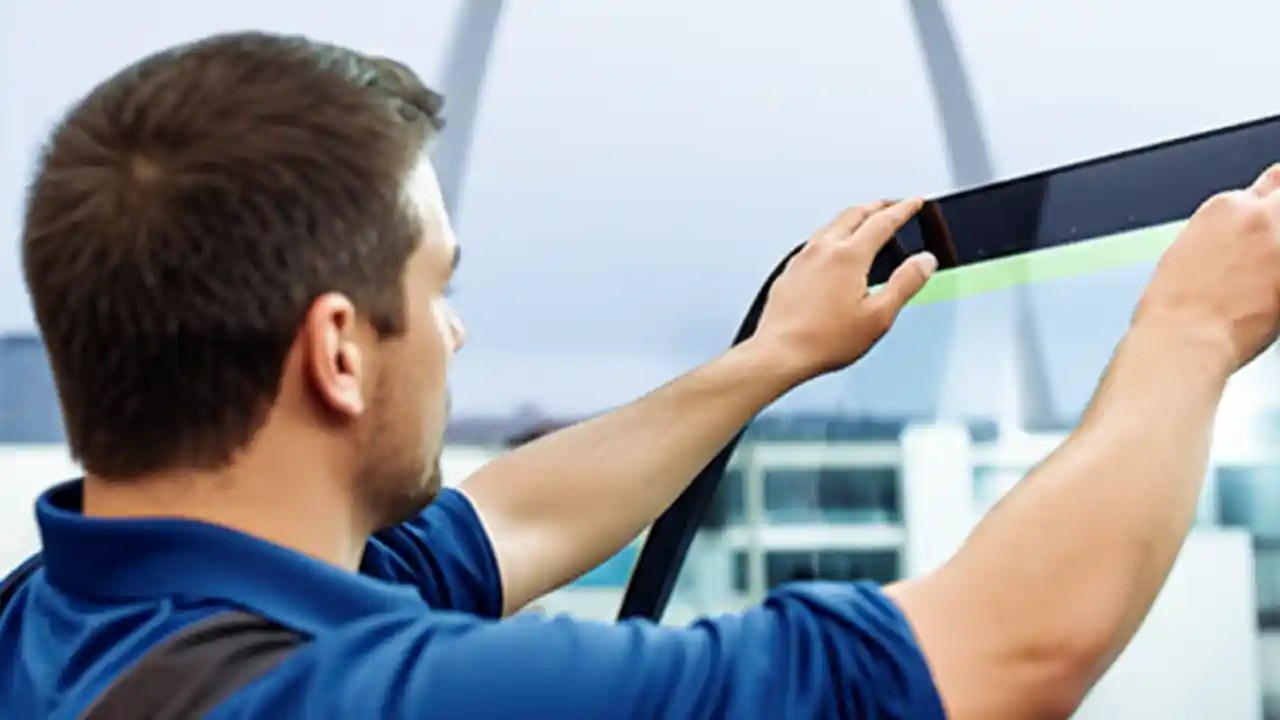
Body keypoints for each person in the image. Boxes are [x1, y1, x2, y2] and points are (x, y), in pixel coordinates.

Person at [1, 31, 1278, 719]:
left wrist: (770, 358)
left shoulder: (60, 618)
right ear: (338, 350)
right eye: (437, 290)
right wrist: (1188, 329)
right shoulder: (361, 699)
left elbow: (505, 522)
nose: (454, 336)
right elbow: (1003, 656)